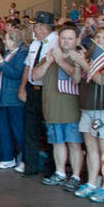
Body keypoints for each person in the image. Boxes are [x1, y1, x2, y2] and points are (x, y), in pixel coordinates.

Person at [70, 29, 104, 202]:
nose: (100, 40)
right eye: (98, 37)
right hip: (88, 109)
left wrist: (84, 64)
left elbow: (101, 80)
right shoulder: (90, 58)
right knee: (91, 148)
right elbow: (77, 80)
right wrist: (79, 65)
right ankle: (92, 183)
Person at [34, 24, 85, 191]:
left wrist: (61, 61)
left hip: (72, 109)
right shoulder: (50, 55)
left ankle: (76, 176)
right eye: (63, 38)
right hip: (52, 109)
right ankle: (60, 172)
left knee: (74, 144)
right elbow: (35, 76)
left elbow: (76, 78)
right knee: (57, 142)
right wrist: (48, 62)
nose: (66, 41)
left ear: (76, 39)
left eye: (70, 38)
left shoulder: (79, 57)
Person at [19, 12, 57, 178]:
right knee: (31, 129)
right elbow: (27, 66)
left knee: (49, 130)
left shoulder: (55, 42)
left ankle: (53, 168)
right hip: (32, 89)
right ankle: (31, 164)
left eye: (36, 25)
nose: (33, 28)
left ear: (43, 27)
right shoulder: (35, 44)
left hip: (48, 91)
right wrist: (22, 87)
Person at [0, 27, 29, 169]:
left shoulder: (21, 54)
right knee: (4, 129)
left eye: (7, 39)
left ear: (14, 41)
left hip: (13, 97)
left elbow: (15, 73)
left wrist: (0, 61)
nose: (4, 41)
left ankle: (24, 158)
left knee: (18, 129)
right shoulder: (7, 53)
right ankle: (8, 157)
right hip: (2, 97)